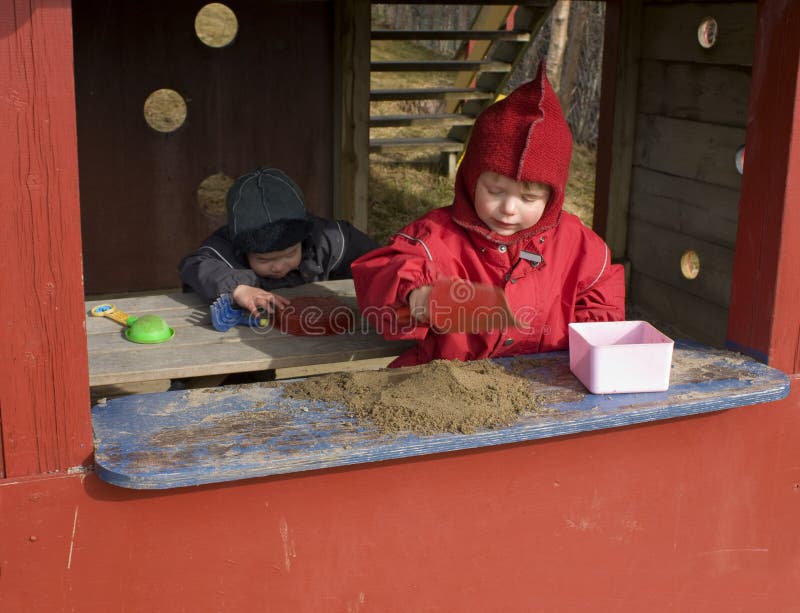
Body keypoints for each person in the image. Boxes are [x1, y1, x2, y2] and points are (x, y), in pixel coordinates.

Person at [351, 63, 625, 367]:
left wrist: (593, 339)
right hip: (447, 382)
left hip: (546, 380)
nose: (509, 208)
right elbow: (384, 273)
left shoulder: (575, 244)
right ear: (471, 179)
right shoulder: (435, 238)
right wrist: (416, 295)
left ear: (552, 198)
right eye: (495, 191)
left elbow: (600, 290)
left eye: (529, 198)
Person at [179, 167, 378, 316]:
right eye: (264, 260)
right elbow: (195, 266)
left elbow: (377, 260)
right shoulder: (227, 247)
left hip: (319, 329)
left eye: (291, 254)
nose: (279, 267)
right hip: (251, 335)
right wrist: (238, 289)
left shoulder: (327, 239)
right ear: (244, 249)